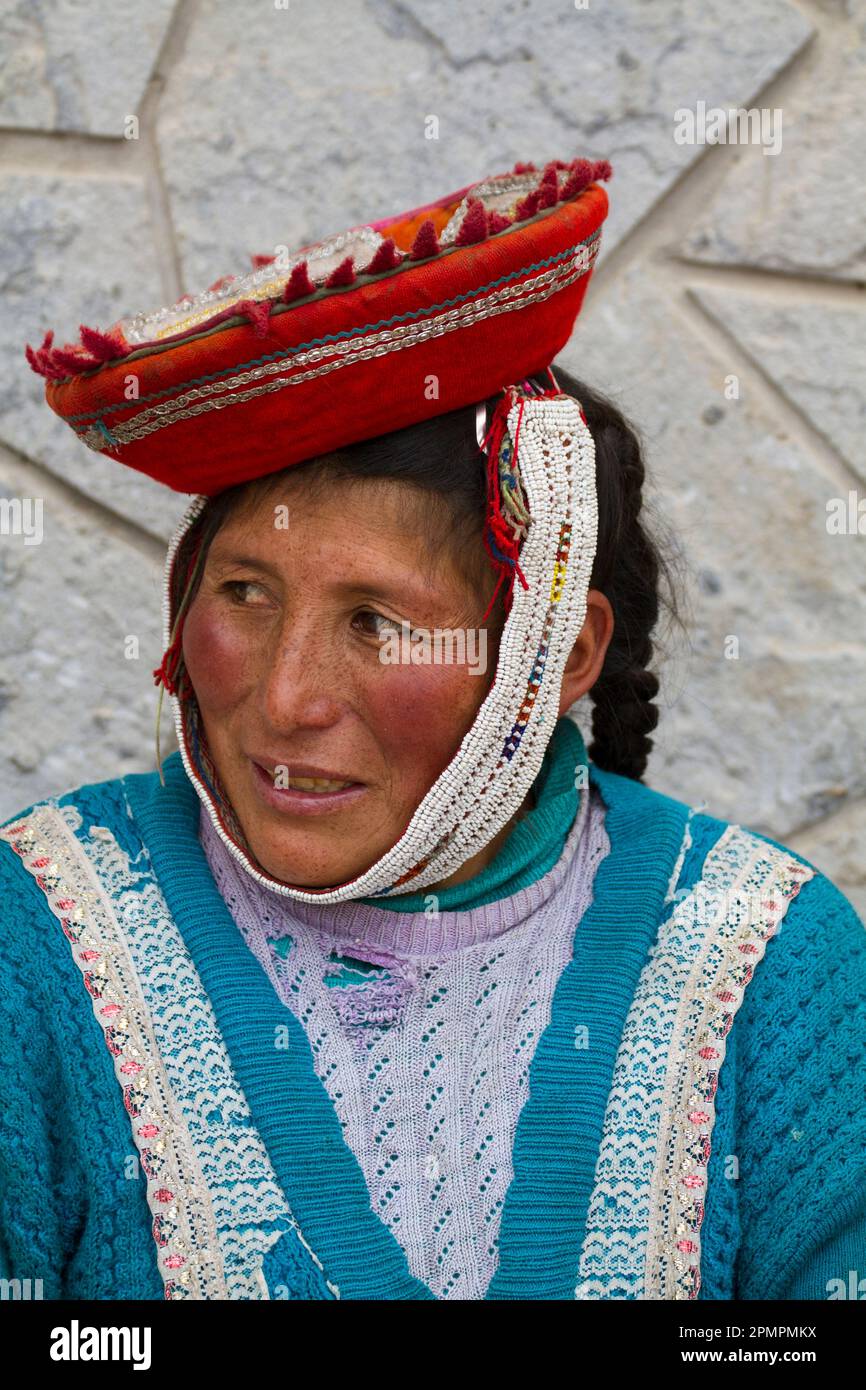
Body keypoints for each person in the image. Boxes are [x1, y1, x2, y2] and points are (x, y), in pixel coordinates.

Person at [2, 157, 865, 1302]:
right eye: (246, 593)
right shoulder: (40, 940)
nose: (283, 698)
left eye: (374, 621)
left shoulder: (758, 959)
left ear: (556, 659)